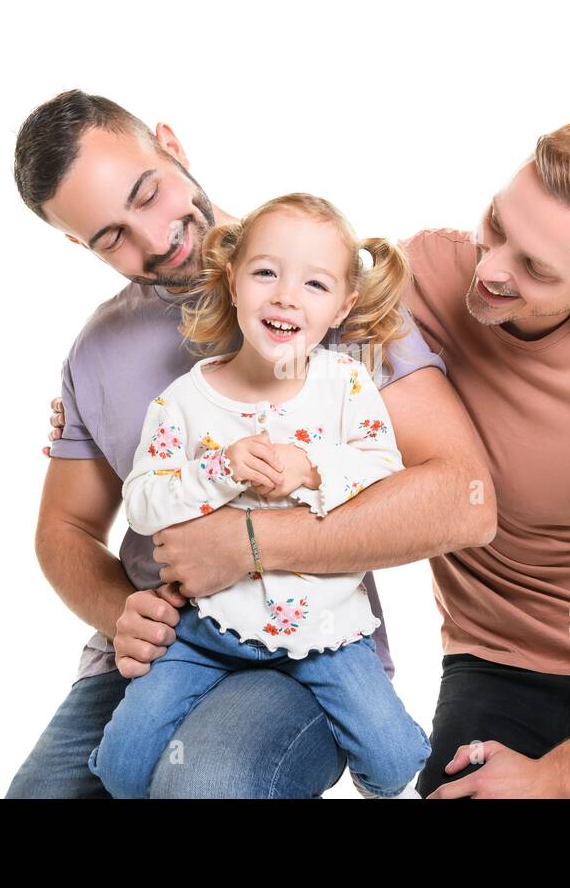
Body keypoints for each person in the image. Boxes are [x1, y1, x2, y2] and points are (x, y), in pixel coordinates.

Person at [50, 113, 570, 799]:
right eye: (496, 225)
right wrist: (91, 408)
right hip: (494, 666)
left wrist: (560, 777)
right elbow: (297, 271)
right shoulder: (423, 273)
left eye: (535, 268)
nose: (491, 270)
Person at [6, 90, 496, 798]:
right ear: (79, 245)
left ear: (172, 144)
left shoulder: (323, 287)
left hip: (300, 647)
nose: (155, 239)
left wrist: (251, 543)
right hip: (165, 651)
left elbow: (463, 500)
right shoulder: (98, 351)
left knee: (201, 782)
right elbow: (65, 527)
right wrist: (121, 613)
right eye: (111, 236)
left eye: (147, 193)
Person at [88, 194, 431, 799]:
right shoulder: (183, 401)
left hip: (325, 631)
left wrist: (312, 468)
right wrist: (220, 469)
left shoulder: (346, 384)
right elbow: (142, 503)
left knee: (394, 762)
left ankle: (305, 739)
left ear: (343, 306)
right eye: (266, 272)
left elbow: (385, 472)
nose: (286, 297)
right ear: (233, 279)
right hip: (204, 629)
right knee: (121, 768)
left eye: (315, 284)